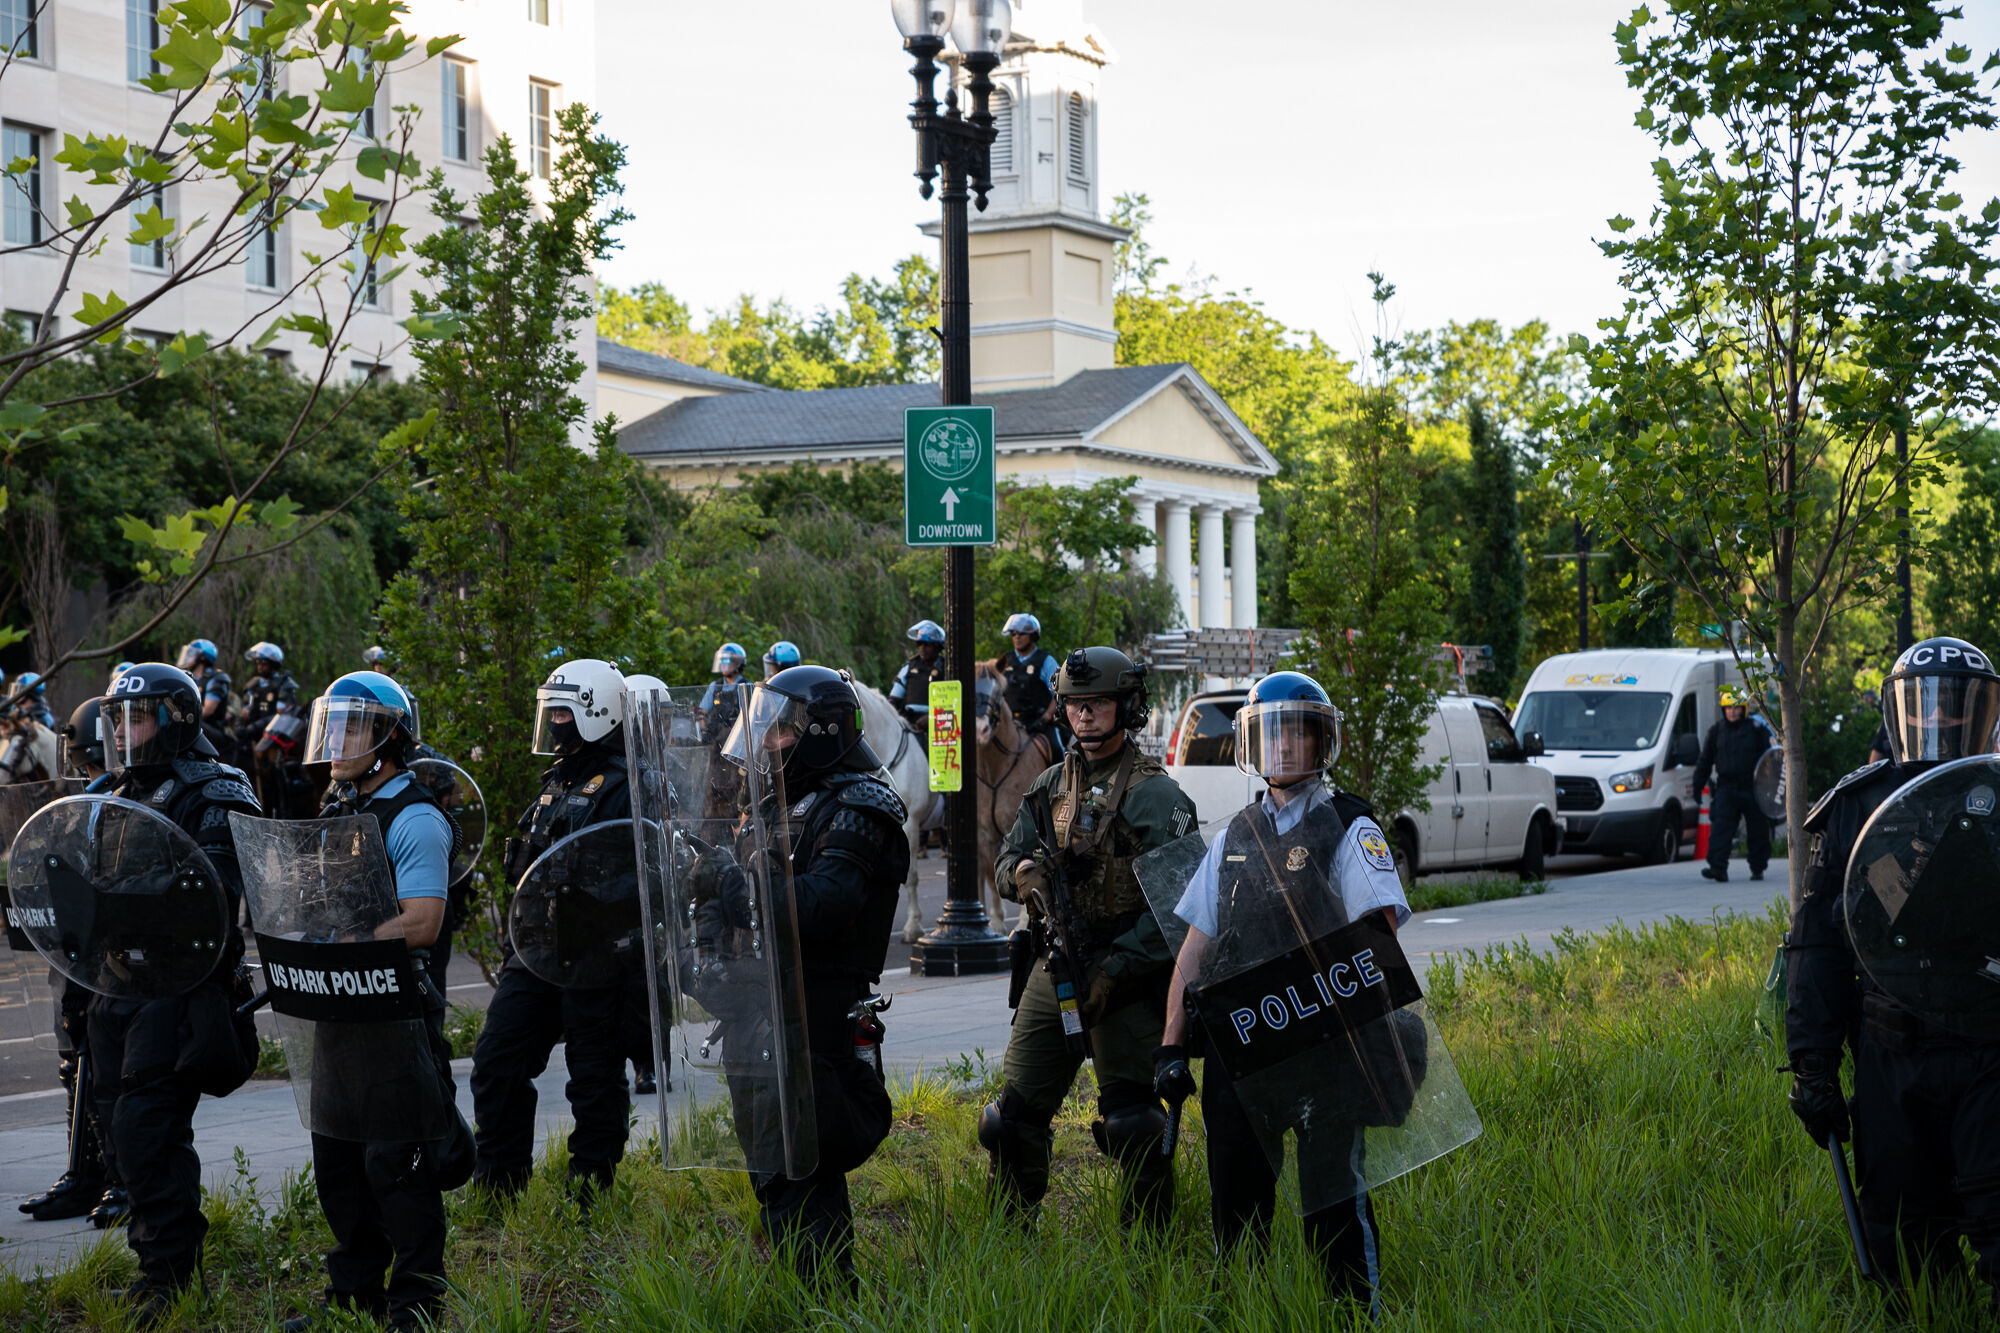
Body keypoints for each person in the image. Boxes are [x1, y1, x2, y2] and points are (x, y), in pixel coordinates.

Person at [1154, 671, 1410, 1313]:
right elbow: (1197, 944)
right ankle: (1243, 1316)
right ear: (1252, 744)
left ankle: (1356, 1320)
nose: (1285, 746)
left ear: (1322, 741)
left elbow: (1378, 935)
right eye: (1272, 734)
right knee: (1236, 1210)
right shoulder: (1234, 835)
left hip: (1325, 1044)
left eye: (1298, 732)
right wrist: (1171, 1045)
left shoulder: (1348, 826)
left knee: (1333, 1205)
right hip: (1243, 1049)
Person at [1787, 636, 2000, 1314]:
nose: (1939, 718)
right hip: (1893, 1050)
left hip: (1991, 1045)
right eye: (1925, 704)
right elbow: (1818, 942)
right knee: (1903, 1240)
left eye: (1956, 705)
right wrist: (1813, 1062)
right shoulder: (1857, 804)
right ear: (1898, 710)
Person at [983, 646, 1198, 1232]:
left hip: (1128, 972)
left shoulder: (1159, 798)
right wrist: (1024, 876)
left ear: (1126, 707)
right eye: (1075, 704)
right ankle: (1009, 1236)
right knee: (1009, 1117)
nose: (1084, 714)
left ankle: (1150, 1250)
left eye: (1098, 703)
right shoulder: (1050, 784)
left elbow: (1182, 910)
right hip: (1056, 964)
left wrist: (1116, 969)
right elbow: (1005, 860)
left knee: (1134, 1124)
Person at [283, 671, 465, 1332]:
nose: (334, 741)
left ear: (389, 738)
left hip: (396, 1014)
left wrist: (352, 939)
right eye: (330, 726)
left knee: (396, 1163)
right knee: (338, 1158)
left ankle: (416, 1304)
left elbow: (422, 921)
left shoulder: (414, 816)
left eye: (351, 728)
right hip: (340, 1006)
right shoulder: (339, 810)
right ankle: (354, 1295)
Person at [719, 664, 908, 1286]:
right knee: (770, 1157)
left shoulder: (859, 804)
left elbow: (826, 905)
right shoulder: (773, 803)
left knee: (807, 1153)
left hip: (818, 1003)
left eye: (782, 729)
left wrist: (738, 888)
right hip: (759, 999)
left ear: (822, 732)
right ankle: (800, 1290)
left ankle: (827, 1293)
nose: (768, 741)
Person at [90, 663, 260, 1325]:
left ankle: (172, 1281)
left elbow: (214, 891)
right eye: (118, 717)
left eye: (136, 717)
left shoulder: (217, 788)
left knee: (148, 1129)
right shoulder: (115, 791)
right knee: (118, 1133)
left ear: (175, 720)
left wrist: (119, 902)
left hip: (181, 987)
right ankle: (152, 1268)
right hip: (115, 984)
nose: (121, 730)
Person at [469, 658, 635, 1205]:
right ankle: (498, 1187)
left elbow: (649, 874)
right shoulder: (556, 781)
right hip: (537, 949)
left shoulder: (632, 785)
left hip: (596, 954)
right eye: (551, 712)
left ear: (599, 712)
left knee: (593, 1078)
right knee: (497, 1060)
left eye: (563, 712)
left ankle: (589, 1194)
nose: (554, 722)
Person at [15, 698, 124, 1231]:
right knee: (74, 1063)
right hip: (71, 948)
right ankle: (84, 1174)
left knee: (109, 1069)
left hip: (114, 955)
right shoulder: (77, 802)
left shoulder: (129, 801)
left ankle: (118, 1179)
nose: (86, 774)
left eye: (89, 764)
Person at [1692, 686, 1777, 882]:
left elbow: (1772, 759)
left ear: (1743, 708)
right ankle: (1718, 868)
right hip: (1726, 788)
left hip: (1753, 788)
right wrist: (1697, 785)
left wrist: (1772, 789)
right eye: (1728, 708)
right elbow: (1705, 761)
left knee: (1757, 830)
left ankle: (1757, 868)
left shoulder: (1757, 730)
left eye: (1736, 707)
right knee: (1720, 828)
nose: (1732, 711)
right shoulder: (1716, 731)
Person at [237, 642, 303, 814]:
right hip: (253, 736)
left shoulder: (284, 685)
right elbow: (246, 710)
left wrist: (256, 726)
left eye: (264, 663)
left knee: (276, 770)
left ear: (274, 665)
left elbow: (280, 713)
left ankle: (282, 809)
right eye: (258, 663)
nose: (260, 667)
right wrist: (241, 725)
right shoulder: (253, 685)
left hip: (275, 738)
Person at [994, 613, 1063, 760]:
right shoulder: (1005, 660)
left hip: (1039, 725)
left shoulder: (1046, 660)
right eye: (1014, 634)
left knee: (1057, 750)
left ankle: (1065, 774)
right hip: (1009, 724)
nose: (1017, 637)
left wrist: (1046, 717)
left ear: (1033, 636)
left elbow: (1059, 692)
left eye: (1022, 633)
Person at [888, 620, 947, 735]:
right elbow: (893, 700)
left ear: (937, 646)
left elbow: (955, 704)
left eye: (926, 644)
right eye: (919, 644)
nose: (922, 648)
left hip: (940, 727)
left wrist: (931, 718)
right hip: (909, 727)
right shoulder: (908, 668)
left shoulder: (947, 669)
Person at [176, 639, 233, 757]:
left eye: (191, 654)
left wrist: (180, 716)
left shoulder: (217, 678)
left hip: (213, 729)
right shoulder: (188, 678)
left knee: (182, 724)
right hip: (195, 724)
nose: (187, 657)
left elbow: (208, 710)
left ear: (202, 658)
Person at [698, 643, 748, 746]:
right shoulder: (715, 686)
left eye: (726, 661)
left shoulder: (746, 686)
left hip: (738, 740)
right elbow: (702, 712)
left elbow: (748, 717)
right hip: (715, 740)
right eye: (721, 661)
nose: (722, 665)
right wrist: (705, 733)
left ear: (738, 664)